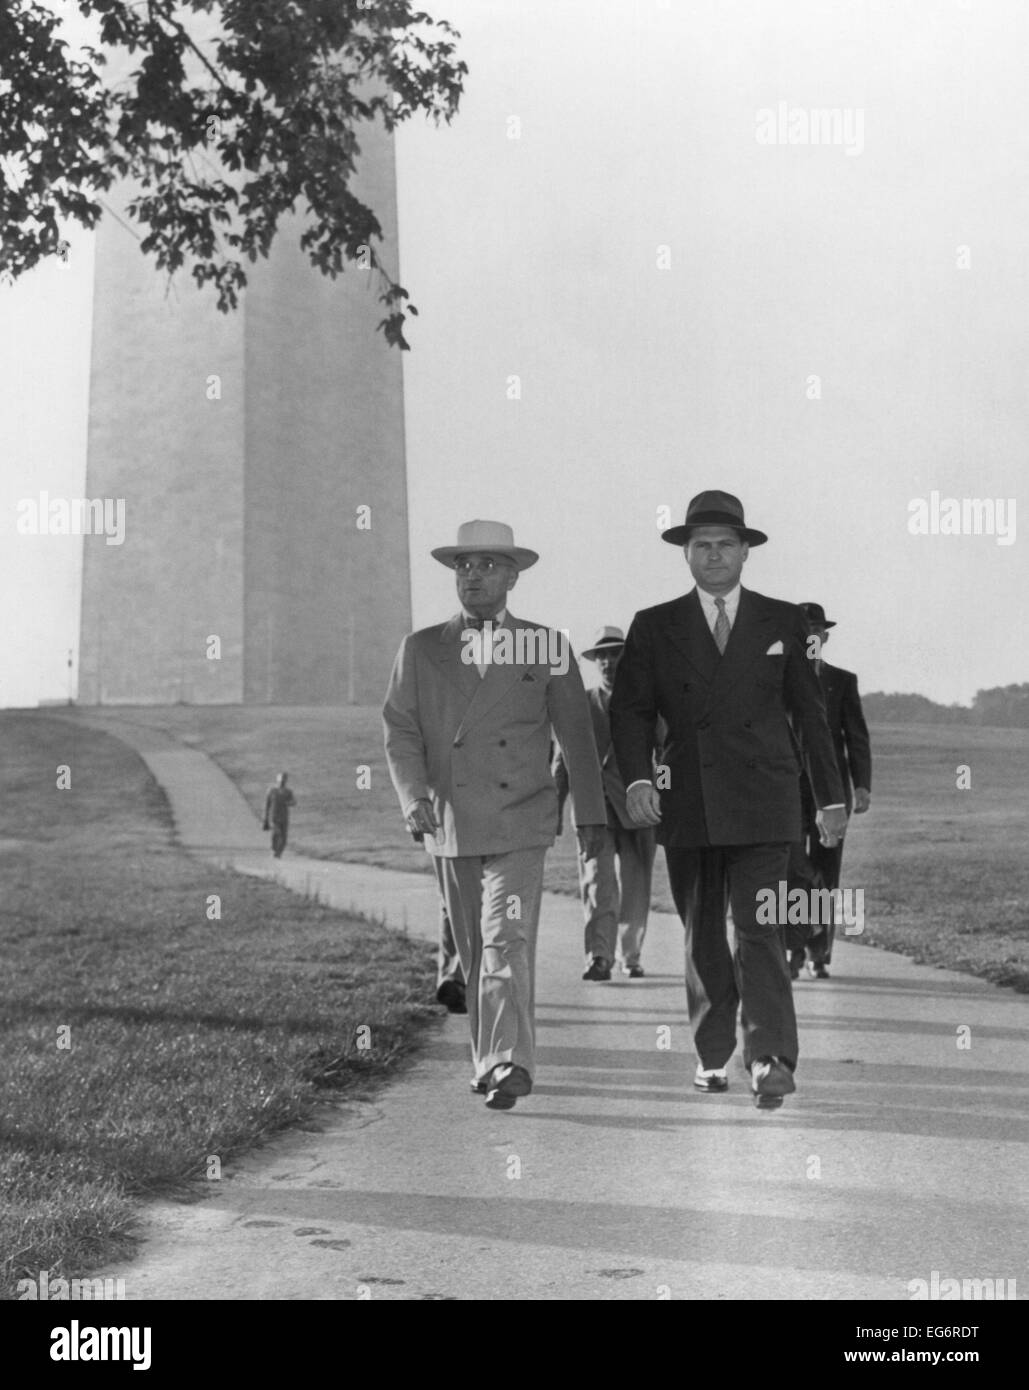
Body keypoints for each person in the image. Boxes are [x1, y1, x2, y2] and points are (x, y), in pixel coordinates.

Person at [609, 490, 846, 1110]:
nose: (713, 556)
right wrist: (638, 780)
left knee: (761, 926)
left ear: (745, 553)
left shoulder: (784, 620)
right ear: (686, 556)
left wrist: (829, 797)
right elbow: (629, 712)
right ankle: (712, 1053)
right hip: (684, 801)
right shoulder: (654, 625)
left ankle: (769, 1057)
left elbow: (810, 714)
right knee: (702, 934)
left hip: (766, 802)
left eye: (725, 545)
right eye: (701, 546)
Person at [383, 519, 606, 1111]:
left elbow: (576, 738)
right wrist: (413, 797)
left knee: (506, 939)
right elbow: (400, 731)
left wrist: (591, 818)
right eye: (463, 567)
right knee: (476, 948)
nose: (472, 576)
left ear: (512, 576)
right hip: (451, 821)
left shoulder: (546, 645)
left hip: (521, 819)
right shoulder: (422, 647)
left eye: (486, 566)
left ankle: (509, 1061)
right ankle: (487, 1059)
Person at [553, 626, 657, 981]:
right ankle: (599, 956)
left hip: (640, 810)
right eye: (603, 656)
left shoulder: (649, 704)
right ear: (595, 662)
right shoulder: (579, 703)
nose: (610, 662)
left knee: (636, 883)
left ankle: (631, 954)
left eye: (616, 654)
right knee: (597, 882)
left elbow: (669, 756)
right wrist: (555, 810)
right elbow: (562, 762)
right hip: (593, 811)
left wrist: (668, 800)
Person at [787, 602, 872, 980]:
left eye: (816, 631)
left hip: (833, 795)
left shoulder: (842, 680)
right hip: (787, 791)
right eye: (804, 630)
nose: (811, 637)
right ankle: (792, 949)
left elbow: (856, 737)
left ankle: (818, 953)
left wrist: (862, 784)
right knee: (791, 868)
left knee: (827, 869)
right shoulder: (778, 679)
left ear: (825, 636)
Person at [262, 772, 295, 858]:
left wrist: (288, 802)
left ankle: (278, 853)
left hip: (284, 817)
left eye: (283, 780)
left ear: (286, 781)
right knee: (276, 833)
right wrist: (265, 818)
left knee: (284, 838)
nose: (282, 782)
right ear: (277, 780)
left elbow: (293, 802)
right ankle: (273, 848)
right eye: (280, 780)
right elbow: (267, 804)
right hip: (274, 817)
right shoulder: (272, 791)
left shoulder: (288, 792)